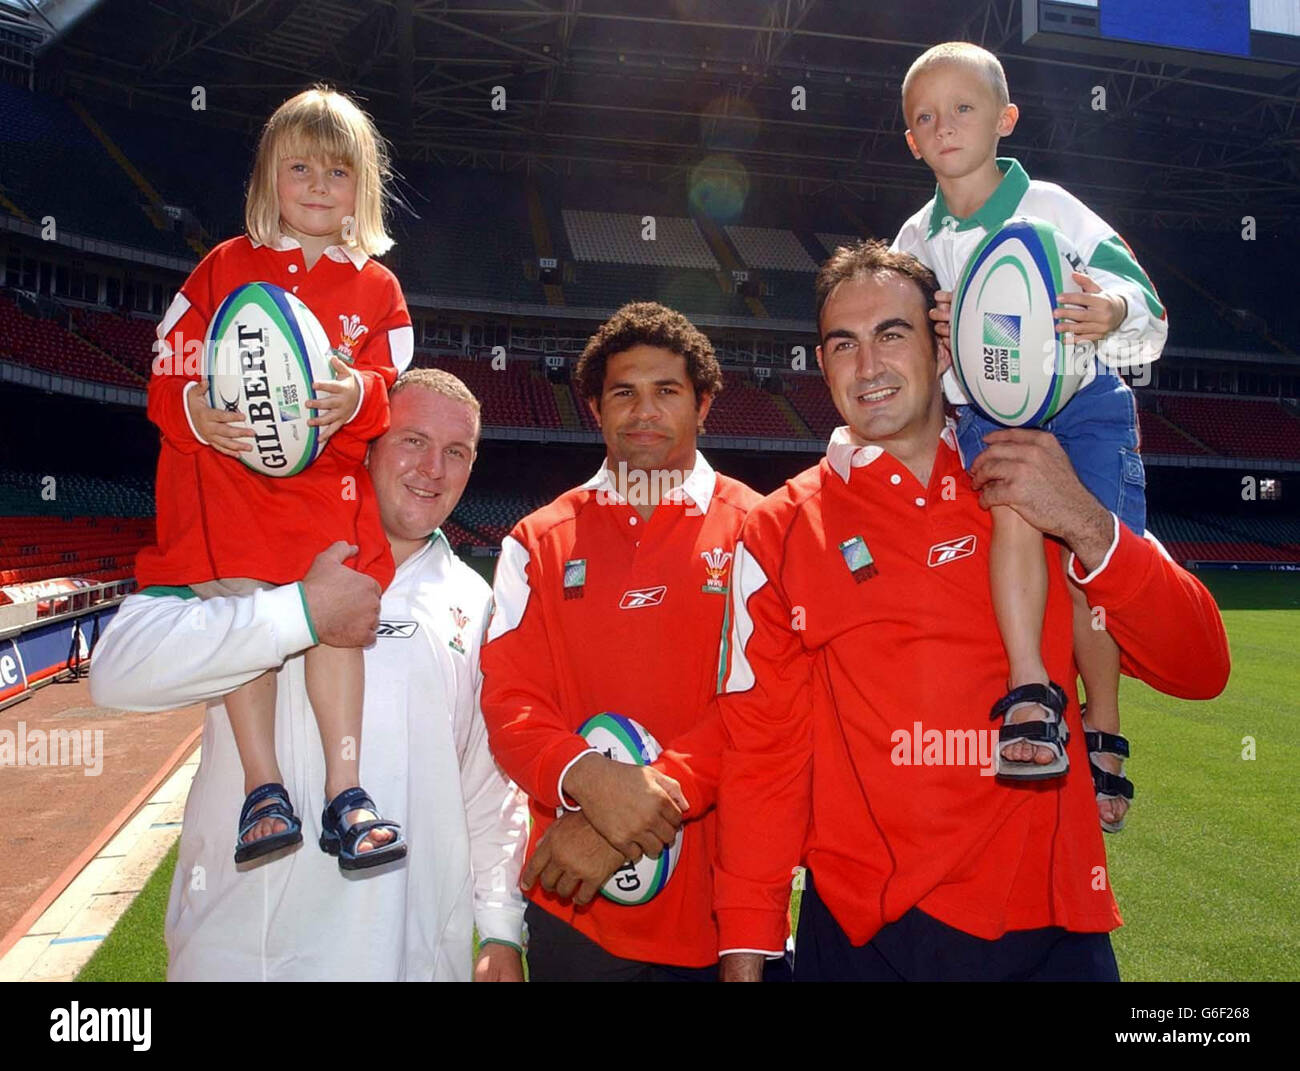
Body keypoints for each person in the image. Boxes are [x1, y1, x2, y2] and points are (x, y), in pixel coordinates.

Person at [713, 241, 1230, 981]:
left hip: (1052, 929)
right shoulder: (779, 528)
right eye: (843, 345)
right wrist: (745, 950)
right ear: (821, 364)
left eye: (892, 334)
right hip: (870, 938)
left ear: (942, 344)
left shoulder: (1042, 471)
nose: (868, 367)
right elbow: (762, 757)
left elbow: (1200, 667)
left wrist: (1086, 522)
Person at [90, 369, 528, 981]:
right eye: (412, 441)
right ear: (367, 444)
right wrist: (299, 612)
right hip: (247, 957)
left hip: (409, 957)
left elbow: (486, 785)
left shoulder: (474, 601)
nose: (434, 468)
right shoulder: (256, 557)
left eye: (456, 452)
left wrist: (502, 926)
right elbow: (116, 671)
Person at [891, 42, 1168, 829]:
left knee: (1096, 562)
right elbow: (905, 351)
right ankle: (1031, 690)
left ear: (1005, 119)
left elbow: (1141, 301)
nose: (945, 126)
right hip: (989, 411)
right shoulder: (914, 241)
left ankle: (1104, 725)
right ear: (911, 140)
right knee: (1011, 511)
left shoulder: (1053, 207)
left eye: (964, 108)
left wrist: (1111, 311)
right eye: (925, 117)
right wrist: (936, 338)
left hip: (1086, 402)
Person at [140, 85, 411, 868]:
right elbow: (165, 368)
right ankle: (264, 788)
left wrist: (356, 392)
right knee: (244, 627)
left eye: (337, 171)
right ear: (267, 180)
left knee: (332, 623)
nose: (319, 186)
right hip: (230, 501)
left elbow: (388, 388)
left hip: (323, 501)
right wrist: (196, 407)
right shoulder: (224, 265)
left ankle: (346, 789)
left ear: (363, 186)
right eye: (300, 168)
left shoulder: (379, 290)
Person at [479, 302, 764, 981]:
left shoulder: (760, 528)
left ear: (703, 403)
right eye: (623, 393)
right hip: (576, 901)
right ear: (595, 409)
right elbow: (510, 702)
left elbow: (765, 706)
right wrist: (590, 781)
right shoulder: (537, 541)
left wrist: (625, 810)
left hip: (719, 909)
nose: (644, 411)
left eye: (667, 391)